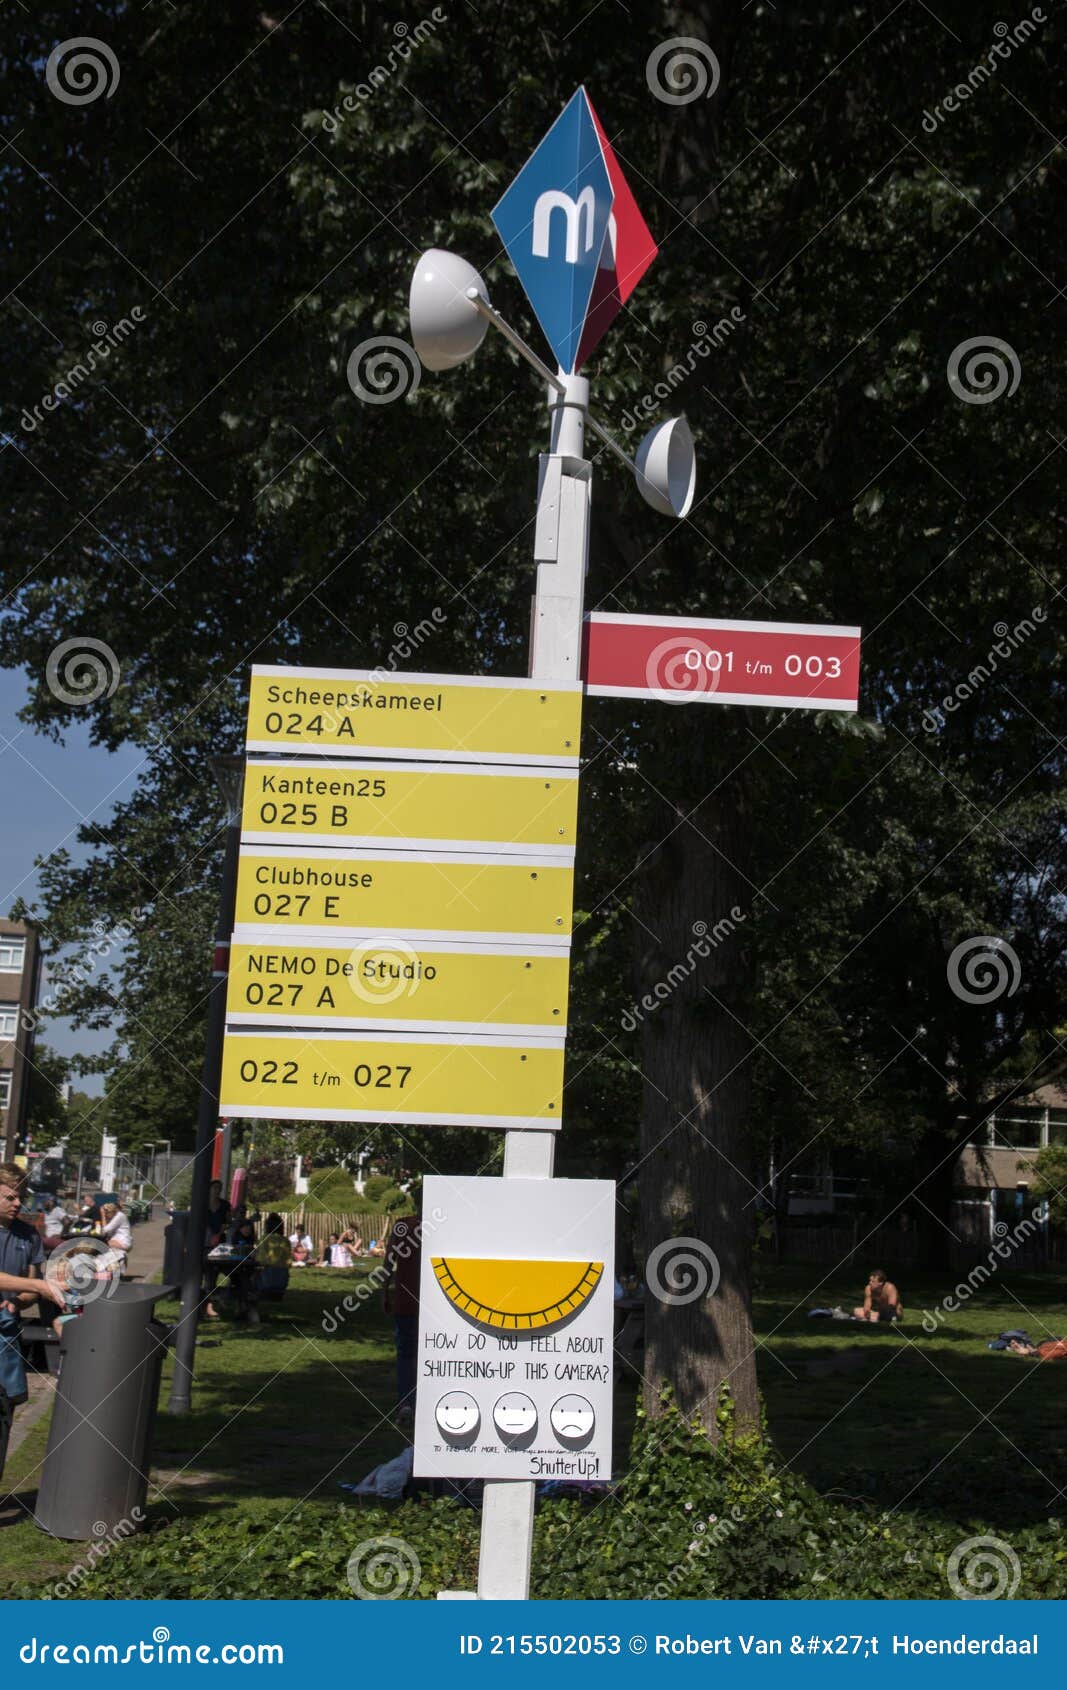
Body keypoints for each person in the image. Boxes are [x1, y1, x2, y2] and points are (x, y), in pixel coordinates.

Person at [0, 1163, 65, 1488]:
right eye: (10, 1197)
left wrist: (21, 1299)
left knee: (4, 1415)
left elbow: (30, 1284)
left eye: (20, 1197)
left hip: (6, 1338)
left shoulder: (28, 1235)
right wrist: (40, 1289)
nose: (17, 1204)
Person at [383, 1207, 422, 1423]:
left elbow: (389, 1262)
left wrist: (384, 1292)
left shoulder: (402, 1225)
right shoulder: (441, 1227)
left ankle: (406, 1403)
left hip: (405, 1299)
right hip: (430, 1303)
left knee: (406, 1354)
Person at [255, 1213, 291, 1307]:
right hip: (282, 1280)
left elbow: (261, 1260)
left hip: (267, 1280)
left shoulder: (265, 1239)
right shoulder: (286, 1241)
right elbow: (288, 1262)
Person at [99, 1202, 132, 1272]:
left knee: (102, 1245)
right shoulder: (118, 1216)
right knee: (104, 1245)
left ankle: (109, 1269)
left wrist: (103, 1216)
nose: (107, 1216)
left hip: (123, 1242)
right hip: (120, 1240)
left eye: (106, 1214)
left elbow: (105, 1230)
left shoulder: (119, 1216)